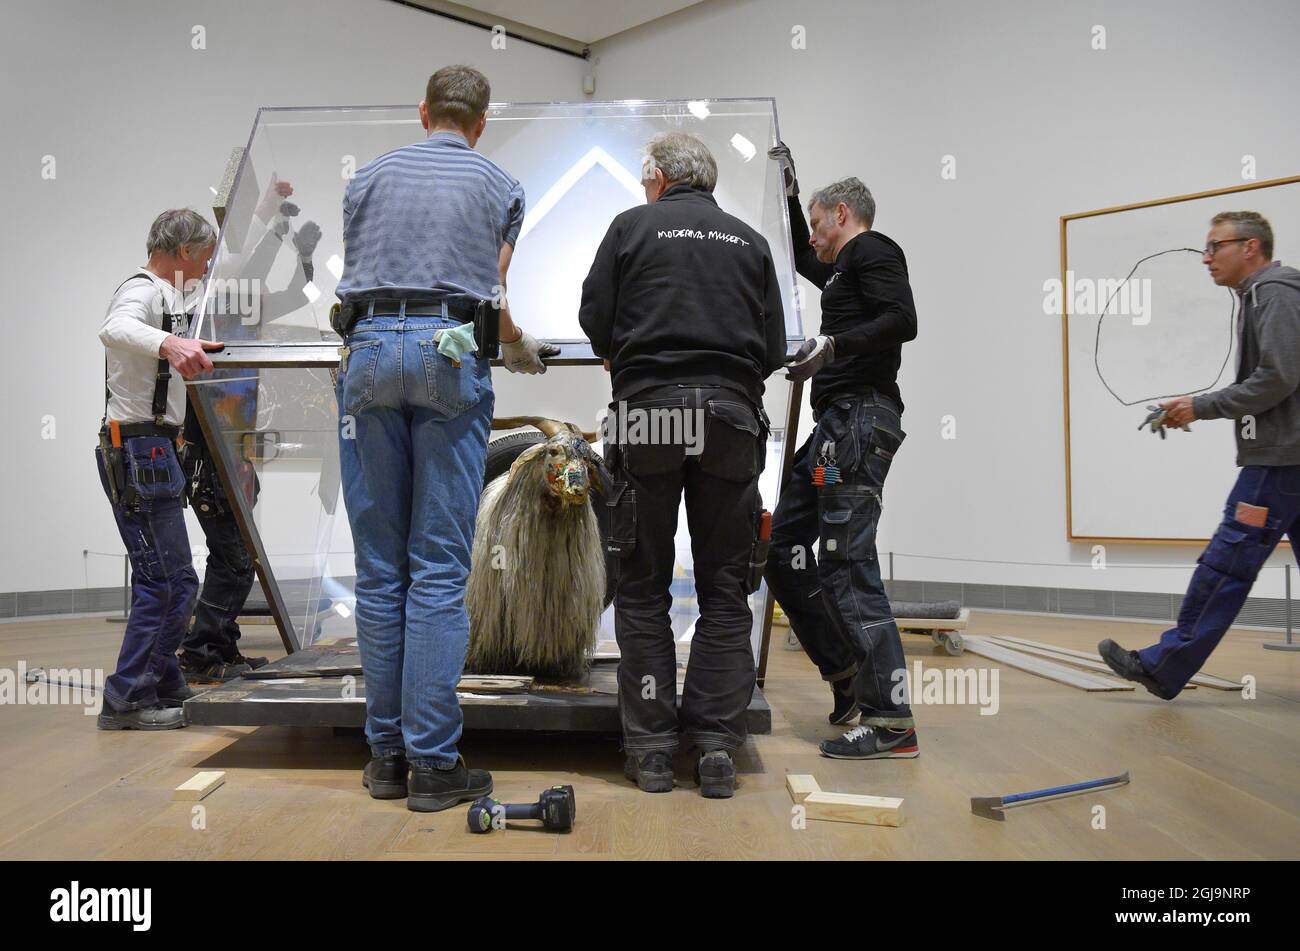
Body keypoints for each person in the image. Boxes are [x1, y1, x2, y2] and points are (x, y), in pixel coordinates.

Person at [335, 65, 547, 812]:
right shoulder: (501, 185)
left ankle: (385, 757)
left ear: (422, 112)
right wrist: (516, 346)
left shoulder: (364, 180)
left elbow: (362, 271)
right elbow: (493, 296)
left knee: (381, 567)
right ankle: (432, 762)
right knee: (436, 568)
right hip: (450, 346)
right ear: (481, 122)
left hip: (364, 351)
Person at [579, 132, 786, 798]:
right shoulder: (750, 242)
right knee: (727, 589)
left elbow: (595, 317)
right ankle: (718, 749)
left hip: (649, 418)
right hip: (730, 421)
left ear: (658, 177)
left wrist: (631, 355)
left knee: (643, 588)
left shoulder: (631, 228)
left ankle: (651, 751)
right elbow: (775, 348)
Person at [1100, 211, 1300, 697]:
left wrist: (1200, 407)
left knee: (1227, 563)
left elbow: (1277, 377)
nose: (1206, 258)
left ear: (1250, 247)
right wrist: (1192, 406)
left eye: (1216, 247)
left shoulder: (1272, 292)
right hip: (1288, 457)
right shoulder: (1266, 294)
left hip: (1278, 462)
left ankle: (1163, 666)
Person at [763, 143, 920, 760]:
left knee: (848, 565)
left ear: (845, 214)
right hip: (836, 424)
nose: (813, 236)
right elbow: (803, 256)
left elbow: (902, 319)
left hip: (861, 420)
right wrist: (791, 190)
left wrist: (832, 349)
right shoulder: (841, 267)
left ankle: (891, 721)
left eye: (818, 221)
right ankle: (849, 677)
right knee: (782, 549)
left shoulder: (873, 251)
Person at [95, 209, 224, 730]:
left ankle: (164, 679)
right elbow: (114, 327)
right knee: (164, 581)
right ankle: (127, 697)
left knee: (178, 580)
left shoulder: (174, 298)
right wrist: (171, 344)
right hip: (139, 450)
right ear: (187, 251)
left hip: (155, 449)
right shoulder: (143, 290)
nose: (210, 263)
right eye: (207, 253)